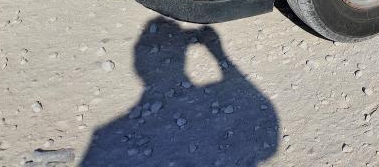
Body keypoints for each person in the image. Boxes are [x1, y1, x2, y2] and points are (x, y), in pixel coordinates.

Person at [80, 17, 278, 166]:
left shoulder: (105, 137)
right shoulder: (105, 135)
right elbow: (268, 144)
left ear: (137, 64)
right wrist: (218, 53)